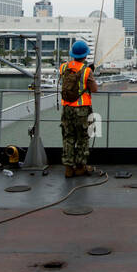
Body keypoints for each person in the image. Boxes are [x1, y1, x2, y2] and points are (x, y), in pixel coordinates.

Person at [60, 39, 99, 177]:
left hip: (67, 109)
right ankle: (80, 167)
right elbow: (94, 89)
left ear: (72, 54)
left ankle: (68, 168)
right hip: (82, 109)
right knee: (83, 138)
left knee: (68, 137)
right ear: (85, 55)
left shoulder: (64, 67)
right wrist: (91, 73)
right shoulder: (86, 71)